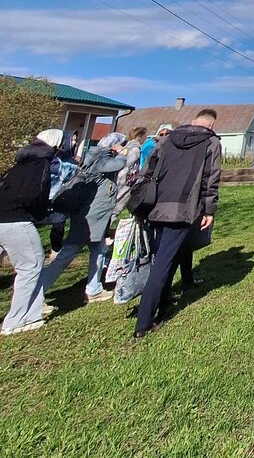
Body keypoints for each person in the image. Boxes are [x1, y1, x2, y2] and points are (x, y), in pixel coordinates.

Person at [134, 108, 222, 339]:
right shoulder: (210, 142)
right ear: (210, 125)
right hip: (183, 207)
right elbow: (210, 178)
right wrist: (209, 209)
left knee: (165, 256)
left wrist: (141, 199)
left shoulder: (168, 139)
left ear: (193, 121)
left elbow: (149, 167)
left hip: (156, 206)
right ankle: (144, 321)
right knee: (163, 261)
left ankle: (162, 303)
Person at [40, 132, 127, 305]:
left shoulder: (94, 157)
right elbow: (119, 164)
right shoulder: (102, 159)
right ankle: (35, 289)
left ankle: (94, 289)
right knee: (67, 254)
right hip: (89, 218)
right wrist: (124, 152)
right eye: (121, 143)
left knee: (98, 251)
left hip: (93, 216)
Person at [0, 128, 61, 334]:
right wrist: (42, 213)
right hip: (16, 220)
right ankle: (16, 320)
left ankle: (32, 313)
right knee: (31, 266)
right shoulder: (41, 164)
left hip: (3, 216)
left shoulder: (20, 163)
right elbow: (33, 195)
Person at [113, 126, 148, 211]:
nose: (145, 139)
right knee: (117, 206)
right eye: (145, 137)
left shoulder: (127, 147)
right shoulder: (135, 149)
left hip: (121, 179)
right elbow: (128, 164)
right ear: (140, 136)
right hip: (126, 180)